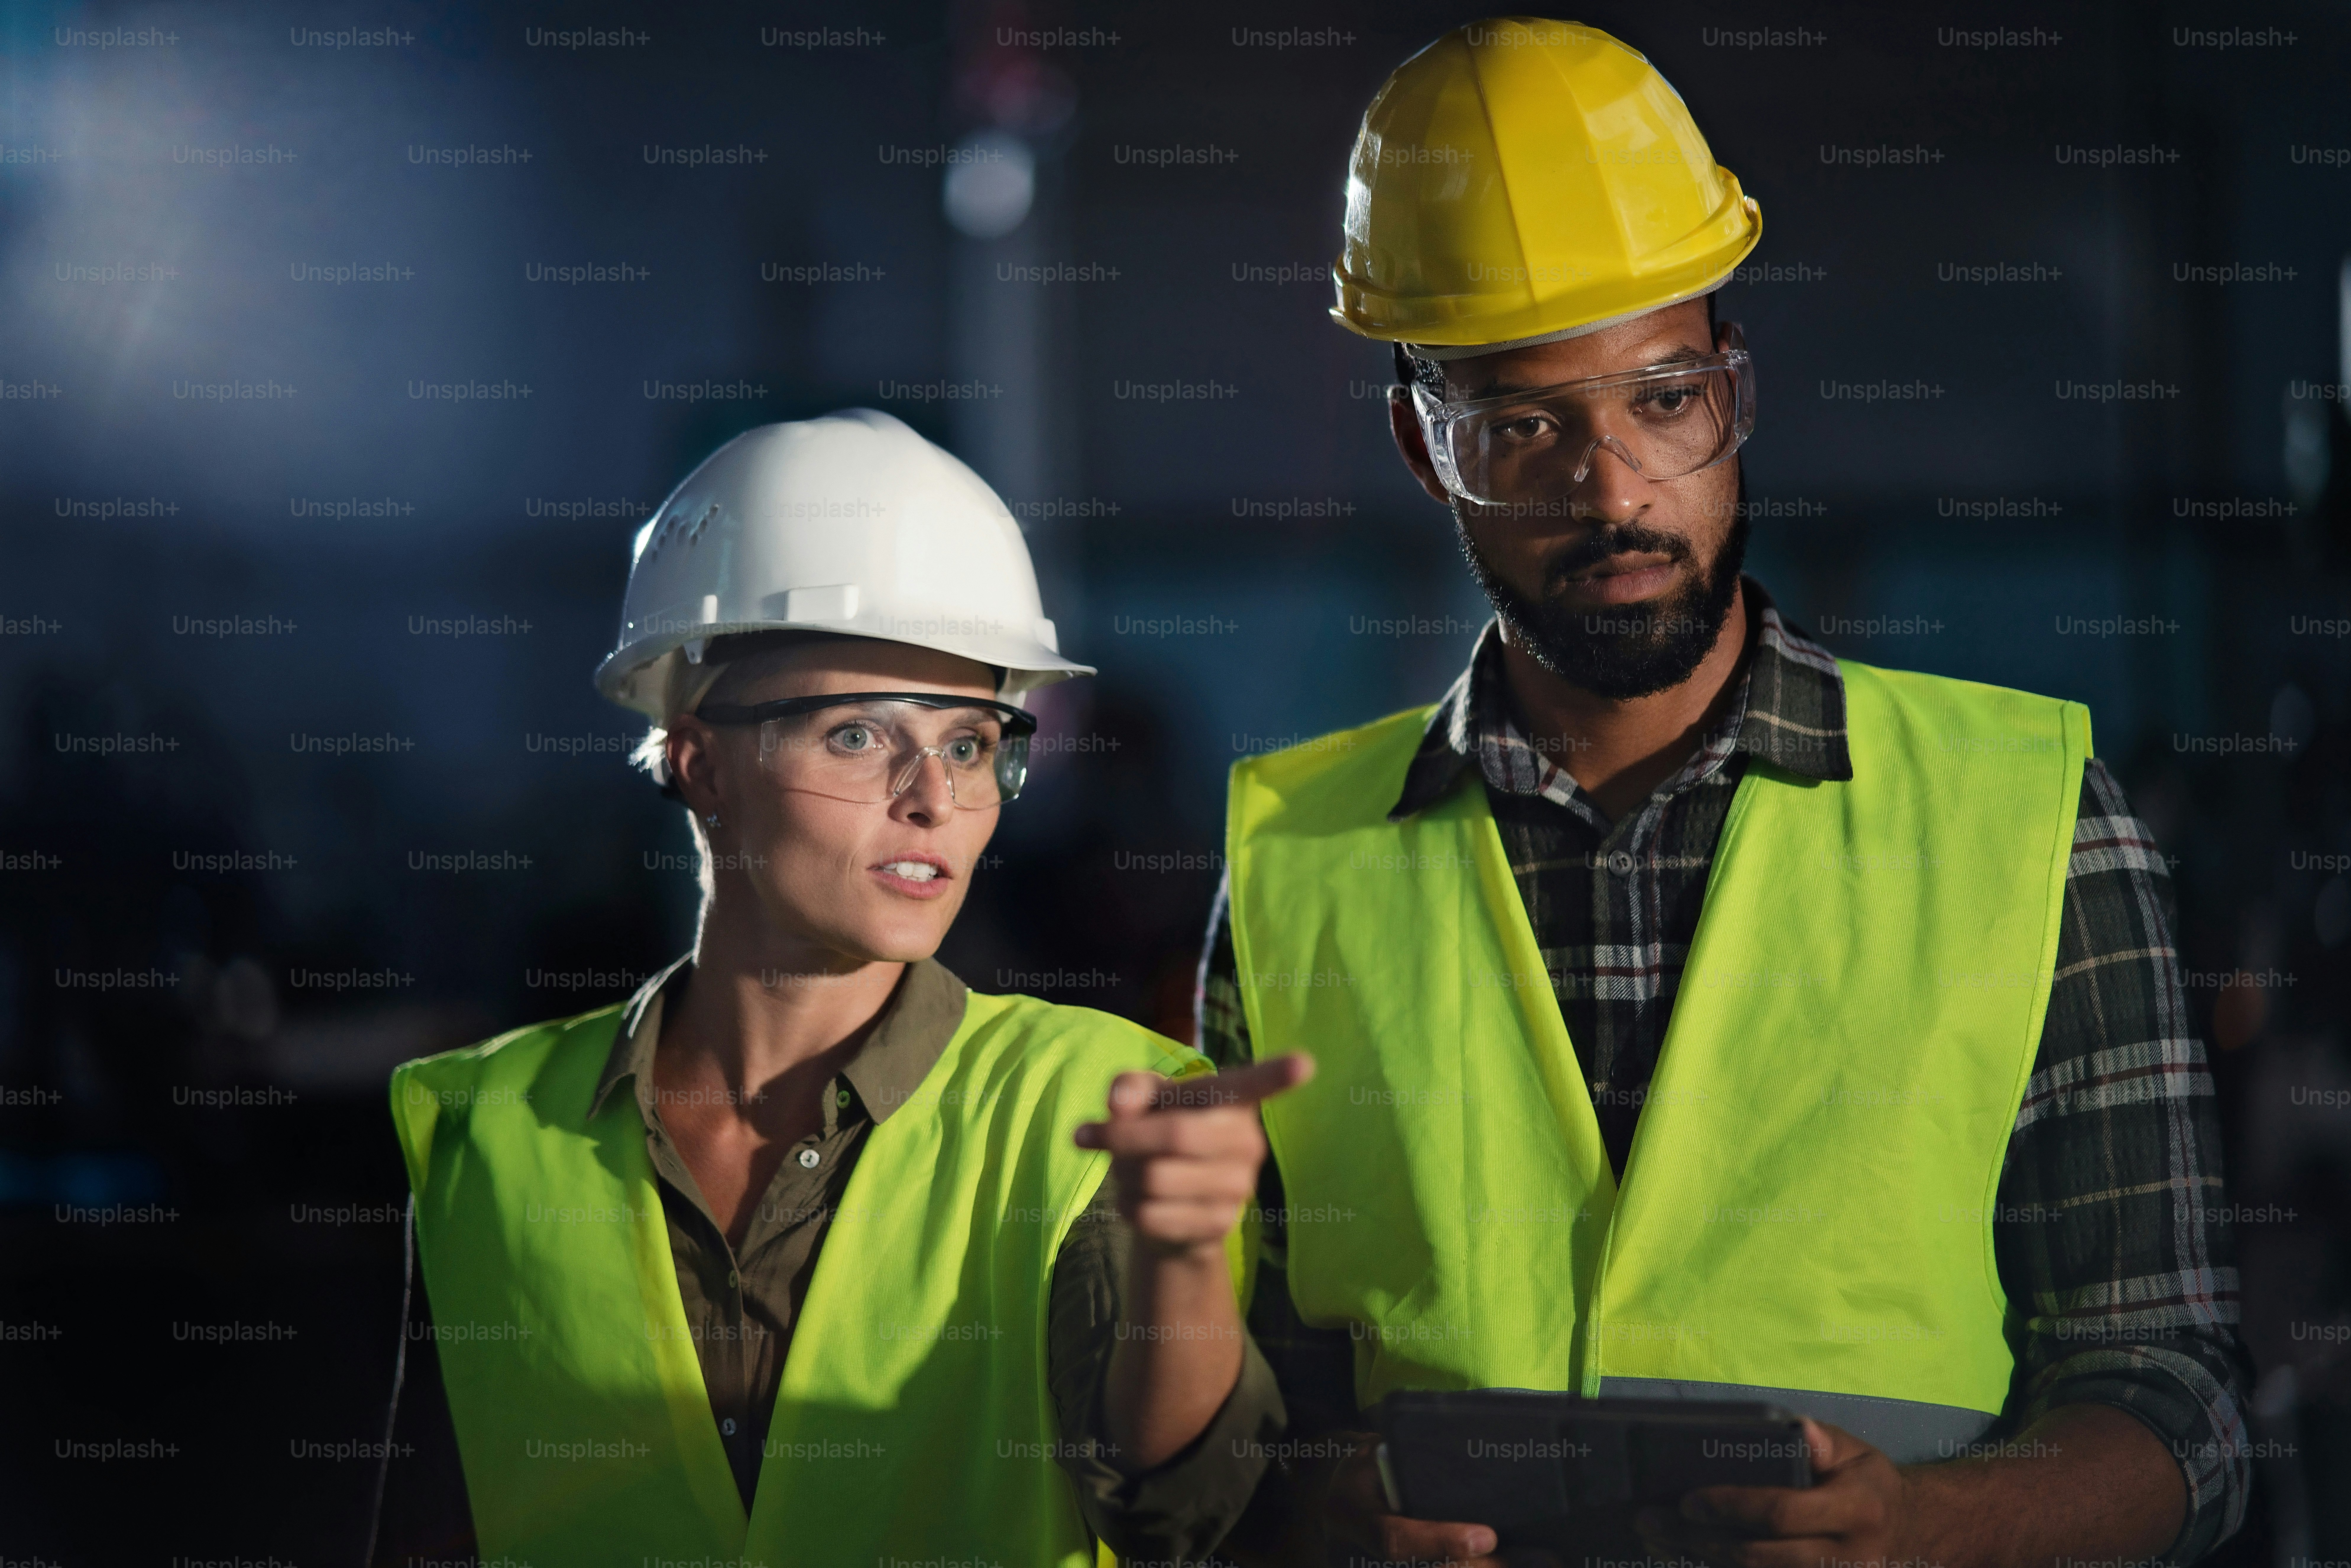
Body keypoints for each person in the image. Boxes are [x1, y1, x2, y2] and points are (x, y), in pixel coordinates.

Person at [1200, 20, 2252, 1568]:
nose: (1615, 490)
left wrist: (1928, 1527)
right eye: (1523, 428)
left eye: (1664, 401)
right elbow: (1231, 1416)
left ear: (1732, 385)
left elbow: (2179, 1403)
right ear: (1422, 447)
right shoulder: (1297, 859)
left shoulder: (2028, 818)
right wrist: (1310, 1505)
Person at [365, 409, 1306, 1566]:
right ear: (700, 762)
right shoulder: (490, 1129)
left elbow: (1181, 1514)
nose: (933, 799)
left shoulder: (1095, 1103)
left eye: (970, 743)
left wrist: (1181, 1266)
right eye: (859, 735)